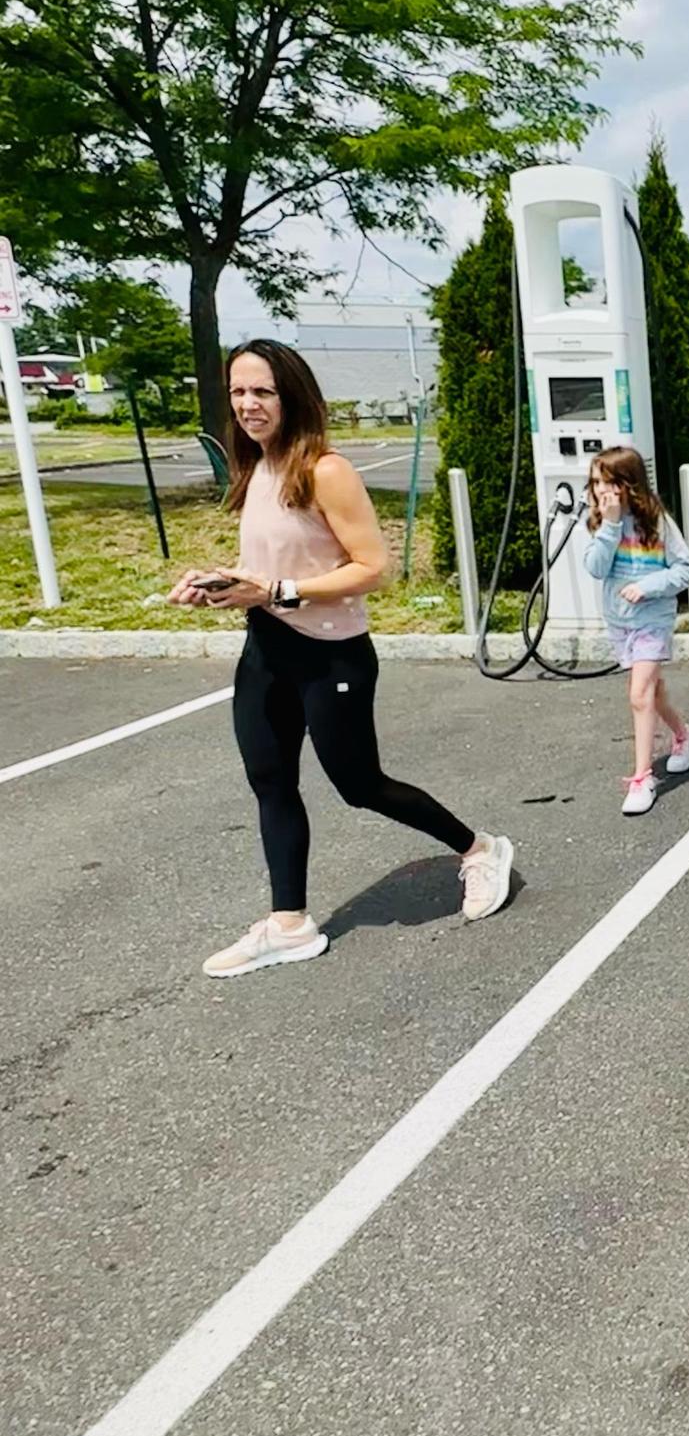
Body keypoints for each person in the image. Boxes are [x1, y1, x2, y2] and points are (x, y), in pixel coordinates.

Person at [169, 340, 515, 977]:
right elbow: (274, 565)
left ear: (291, 395)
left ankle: (480, 848)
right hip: (265, 648)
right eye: (239, 392)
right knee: (270, 781)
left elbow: (373, 569)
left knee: (361, 787)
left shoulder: (324, 469)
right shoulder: (258, 467)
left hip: (331, 658)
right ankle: (289, 923)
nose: (248, 404)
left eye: (263, 392)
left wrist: (276, 591)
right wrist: (218, 583)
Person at [581, 446, 689, 814]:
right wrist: (611, 524)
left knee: (639, 693)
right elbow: (596, 568)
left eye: (608, 483)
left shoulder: (657, 520)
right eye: (596, 482)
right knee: (654, 692)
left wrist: (648, 586)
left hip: (653, 619)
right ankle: (684, 736)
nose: (601, 490)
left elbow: (686, 568)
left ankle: (642, 777)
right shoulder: (604, 522)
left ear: (628, 485)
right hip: (620, 621)